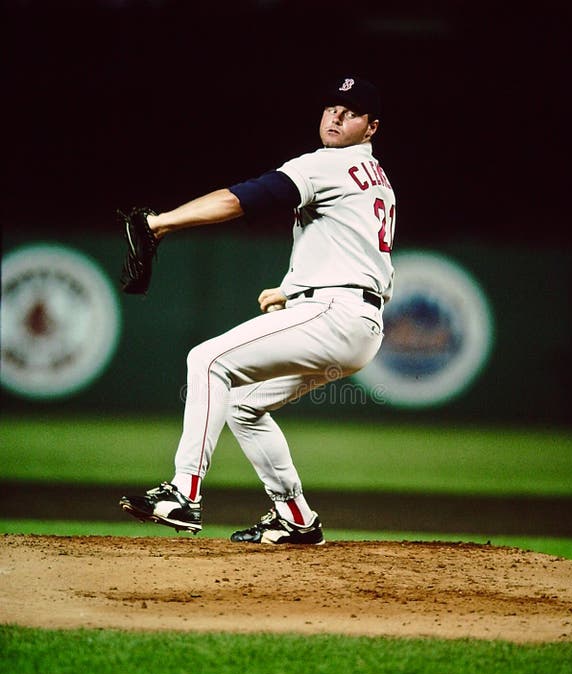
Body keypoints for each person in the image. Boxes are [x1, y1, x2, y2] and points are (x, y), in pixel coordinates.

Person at [120, 75, 396, 545]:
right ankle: (296, 518)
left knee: (207, 360)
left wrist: (161, 223)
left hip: (335, 312)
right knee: (246, 407)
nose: (336, 115)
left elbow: (238, 200)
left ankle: (184, 493)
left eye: (351, 112)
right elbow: (351, 248)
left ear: (371, 128)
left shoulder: (325, 165)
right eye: (333, 106)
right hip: (359, 323)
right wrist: (293, 291)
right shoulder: (376, 179)